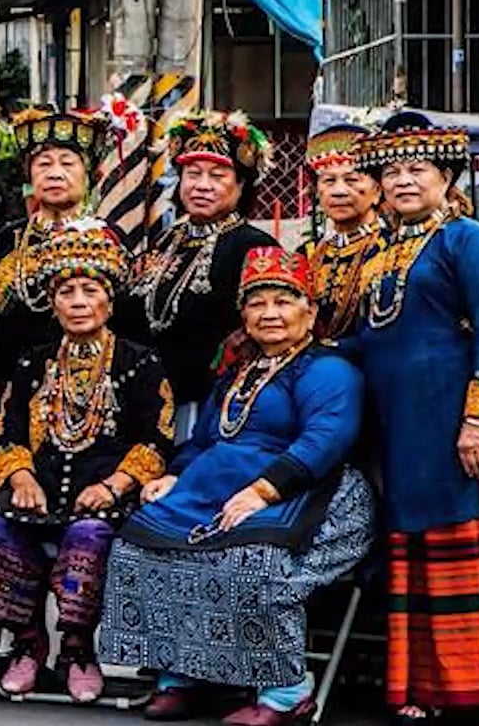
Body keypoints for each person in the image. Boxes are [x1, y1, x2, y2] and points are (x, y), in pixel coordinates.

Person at [98, 247, 373, 725]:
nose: (270, 313)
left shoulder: (327, 370)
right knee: (140, 546)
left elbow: (325, 438)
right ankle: (183, 674)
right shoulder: (237, 375)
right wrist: (174, 475)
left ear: (310, 312)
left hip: (307, 491)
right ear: (243, 315)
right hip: (216, 490)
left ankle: (286, 692)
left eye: (283, 301)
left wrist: (263, 491)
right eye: (257, 303)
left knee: (253, 561)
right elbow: (205, 439)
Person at [352, 115, 479, 720]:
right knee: (415, 562)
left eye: (417, 169)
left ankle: (466, 706)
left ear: (446, 177)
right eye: (392, 171)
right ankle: (425, 692)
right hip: (402, 437)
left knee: (460, 564)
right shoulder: (380, 252)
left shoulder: (470, 242)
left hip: (456, 432)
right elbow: (368, 338)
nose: (403, 181)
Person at [0, 221, 173, 703]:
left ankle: (78, 647)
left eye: (90, 291)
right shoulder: (32, 361)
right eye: (67, 292)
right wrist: (21, 477)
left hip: (105, 494)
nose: (78, 302)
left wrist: (113, 486)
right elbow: (6, 430)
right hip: (38, 489)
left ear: (109, 302)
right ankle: (28, 640)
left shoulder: (139, 362)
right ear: (53, 302)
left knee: (89, 534)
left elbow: (156, 438)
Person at [118, 110, 278, 422]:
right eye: (193, 174)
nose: (202, 186)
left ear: (241, 185)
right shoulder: (166, 239)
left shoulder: (254, 248)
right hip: (145, 397)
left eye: (218, 176)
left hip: (212, 404)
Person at [0, 106, 111, 397]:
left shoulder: (106, 238)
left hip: (92, 385)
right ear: (29, 174)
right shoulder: (8, 239)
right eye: (44, 164)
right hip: (14, 385)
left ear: (88, 174)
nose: (55, 174)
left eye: (67, 164)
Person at [298, 122, 381, 340]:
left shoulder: (390, 249)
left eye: (352, 180)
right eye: (329, 181)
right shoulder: (307, 254)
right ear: (317, 191)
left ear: (378, 190)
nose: (339, 191)